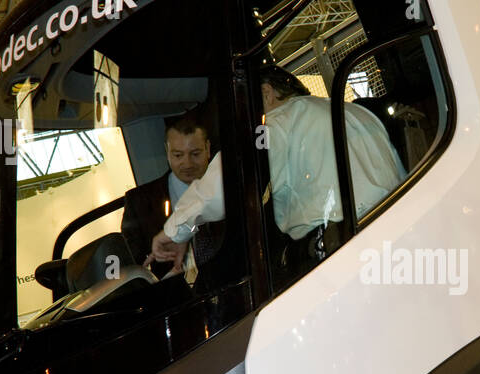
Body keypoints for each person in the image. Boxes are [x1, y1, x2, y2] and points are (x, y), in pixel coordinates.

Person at [152, 66, 405, 279]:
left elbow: (227, 181)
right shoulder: (353, 112)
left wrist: (175, 230)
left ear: (266, 92)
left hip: (345, 246)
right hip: (399, 228)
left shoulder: (277, 123)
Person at [122, 107, 224, 275]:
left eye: (195, 153)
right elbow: (133, 261)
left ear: (208, 148)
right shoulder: (139, 201)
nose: (188, 163)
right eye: (178, 155)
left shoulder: (229, 184)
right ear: (166, 152)